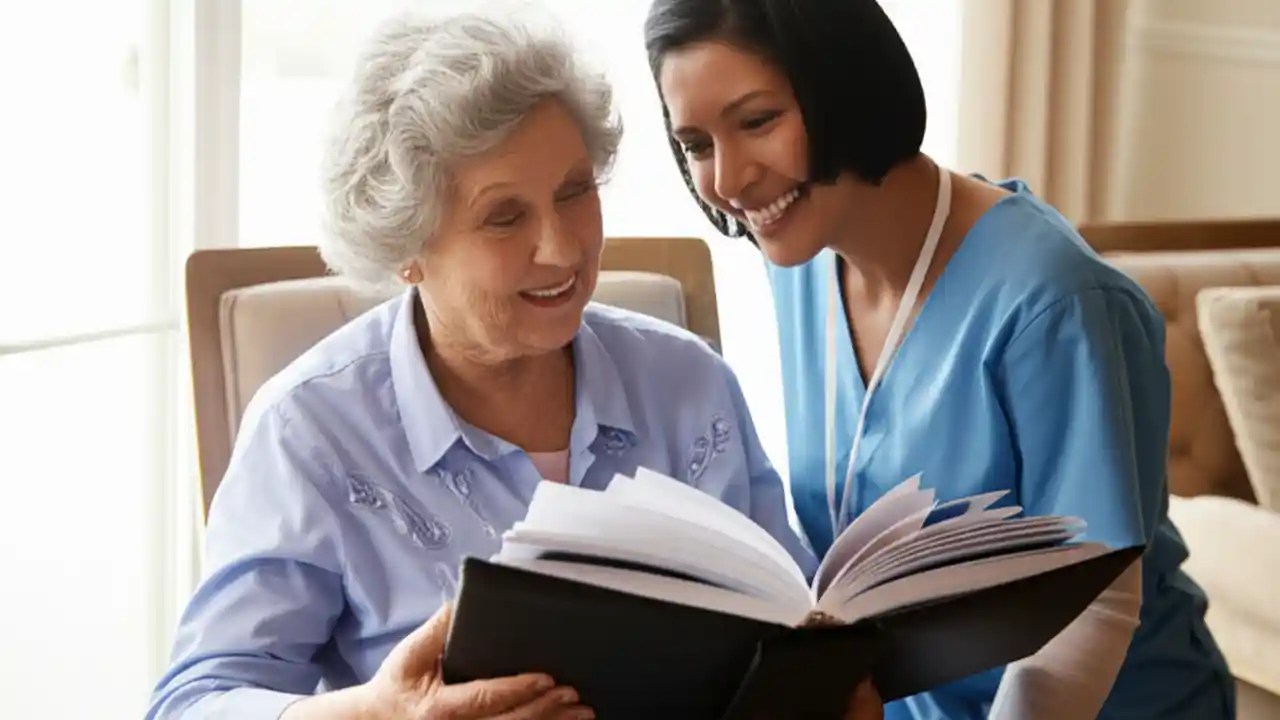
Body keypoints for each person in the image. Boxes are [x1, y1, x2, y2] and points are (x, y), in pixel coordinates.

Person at [145, 10, 825, 720]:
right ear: (404, 248)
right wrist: (382, 714)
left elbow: (794, 619)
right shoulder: (310, 433)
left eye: (573, 192)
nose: (561, 250)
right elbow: (195, 704)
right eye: (504, 218)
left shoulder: (690, 382)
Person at [643, 0, 1235, 718]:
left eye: (758, 121)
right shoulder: (801, 257)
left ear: (846, 86)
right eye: (697, 144)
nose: (729, 180)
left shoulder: (1055, 303)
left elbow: (1095, 608)